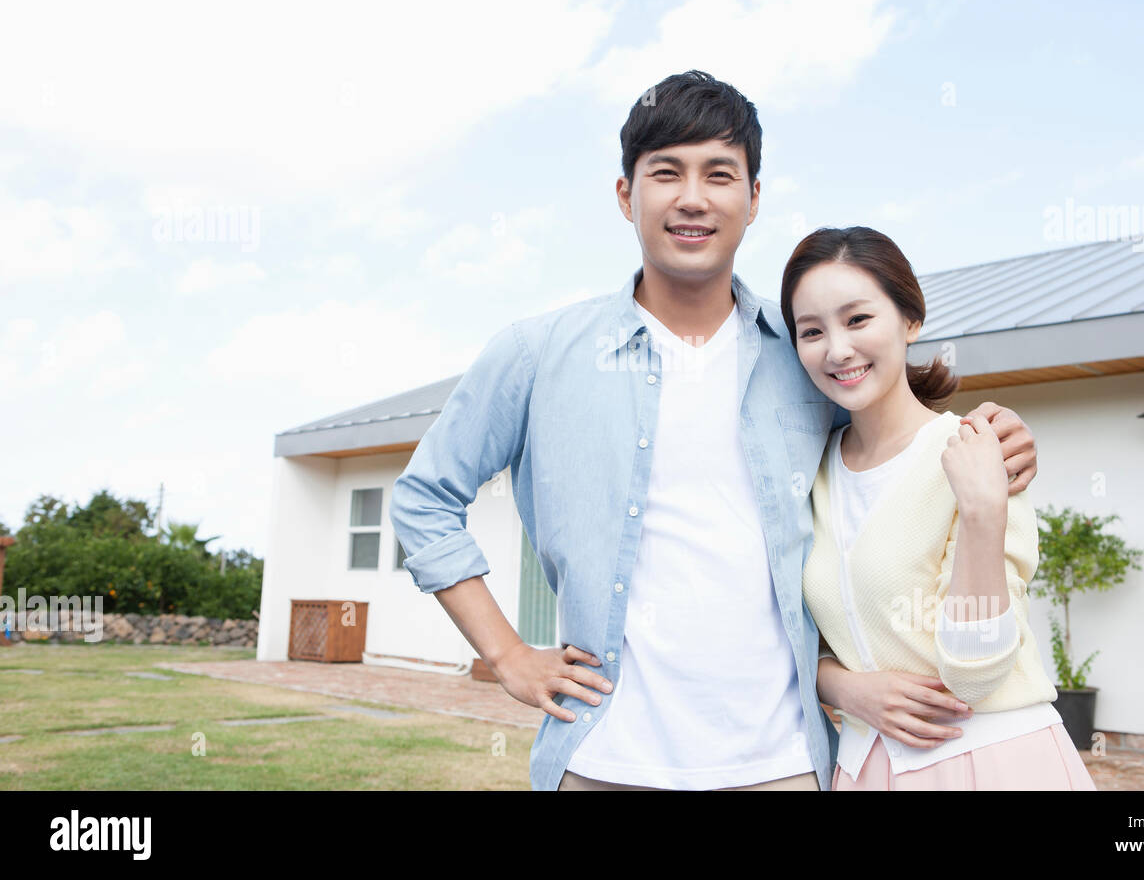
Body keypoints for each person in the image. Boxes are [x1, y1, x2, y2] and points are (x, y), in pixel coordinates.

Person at [391, 70, 1040, 791]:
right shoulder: (538, 355)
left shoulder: (802, 359)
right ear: (625, 194)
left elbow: (888, 431)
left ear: (754, 198)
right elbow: (424, 500)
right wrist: (507, 655)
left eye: (719, 174)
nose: (693, 198)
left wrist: (990, 428)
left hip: (782, 764)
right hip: (605, 759)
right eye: (666, 173)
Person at [782, 226, 1096, 790]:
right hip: (865, 766)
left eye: (858, 319)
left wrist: (983, 511)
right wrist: (844, 688)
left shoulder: (978, 451)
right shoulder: (810, 474)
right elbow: (804, 639)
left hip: (992, 761)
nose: (837, 349)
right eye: (812, 331)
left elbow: (976, 674)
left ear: (910, 319)